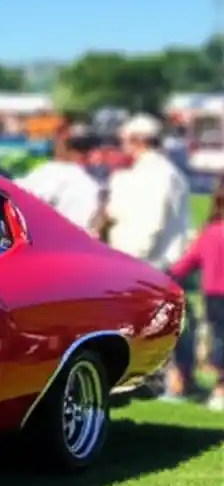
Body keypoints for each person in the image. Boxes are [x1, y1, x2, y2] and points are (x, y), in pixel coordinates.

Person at [106, 113, 193, 399]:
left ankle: (171, 385)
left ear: (137, 140)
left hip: (151, 264)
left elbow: (151, 223)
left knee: (161, 330)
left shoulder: (157, 175)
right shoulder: (162, 172)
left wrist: (131, 261)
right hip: (156, 262)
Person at [168, 179, 224, 411]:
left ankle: (220, 390)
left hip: (214, 296)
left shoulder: (210, 232)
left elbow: (187, 263)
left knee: (220, 339)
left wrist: (168, 276)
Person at [16, 125, 103, 235]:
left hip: (35, 241)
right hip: (70, 243)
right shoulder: (89, 185)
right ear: (91, 153)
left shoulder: (38, 175)